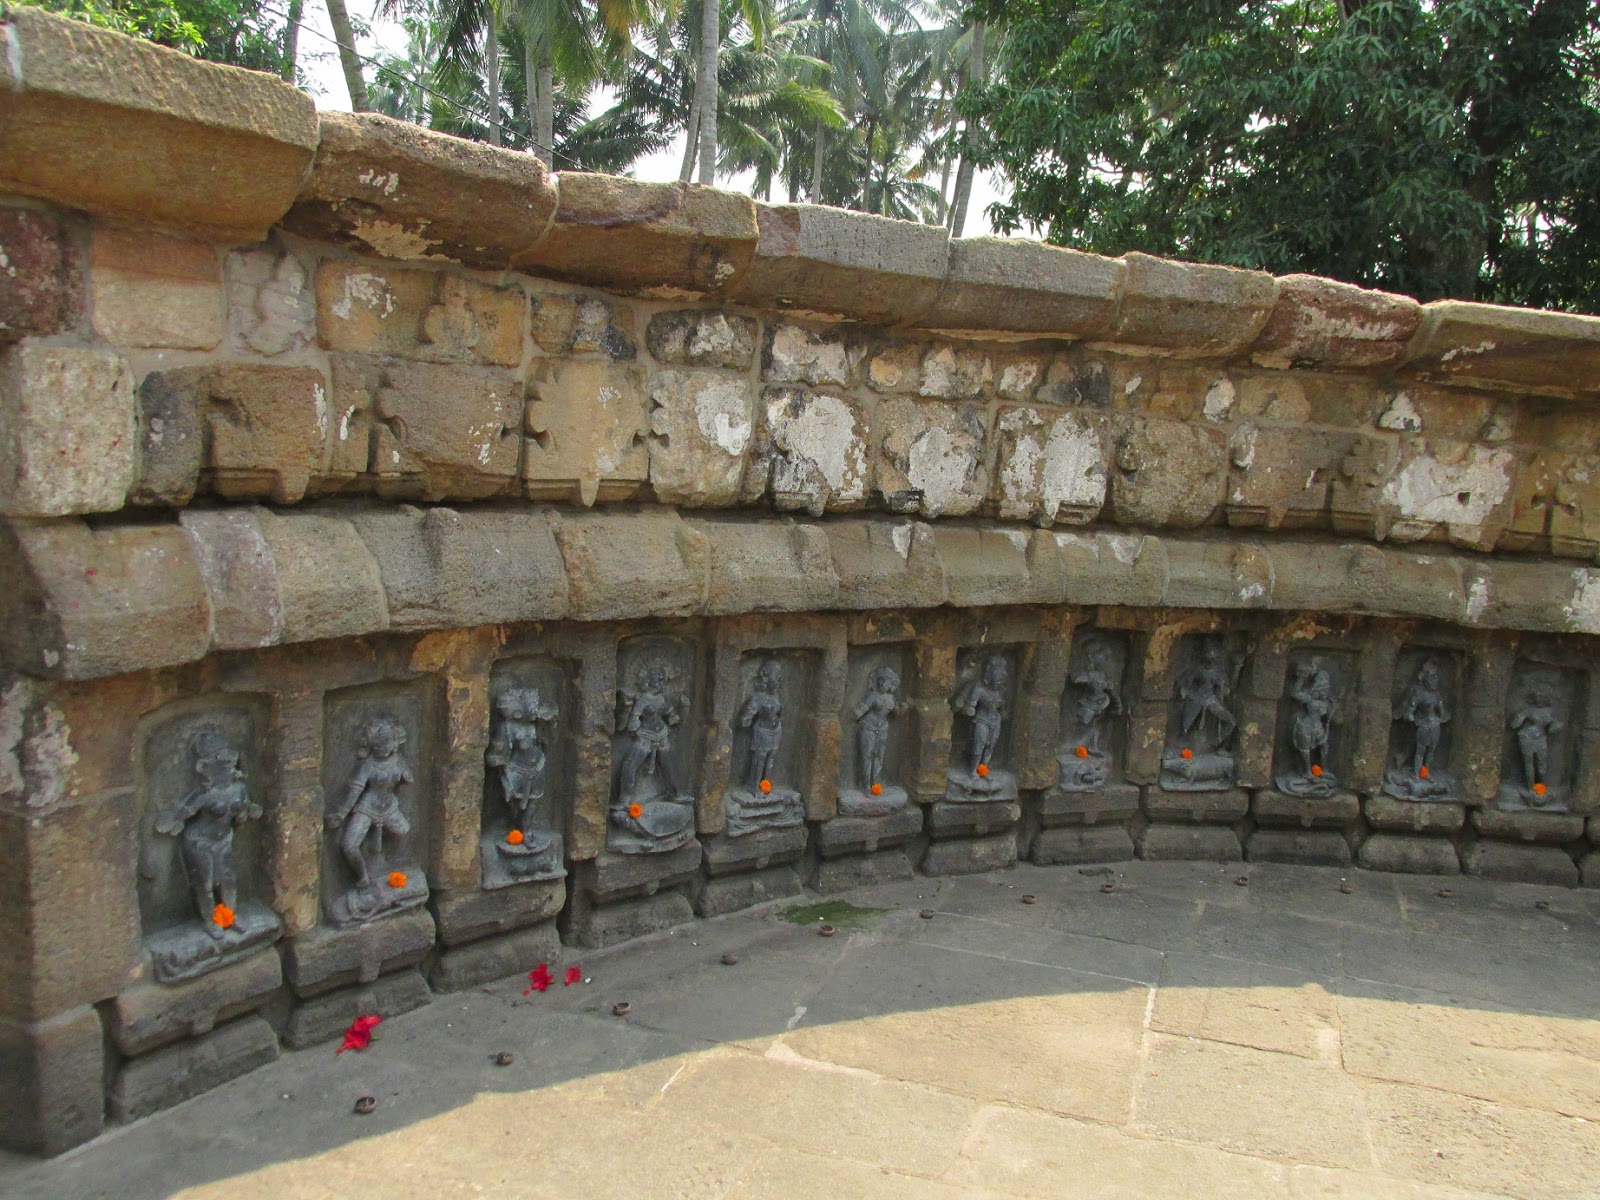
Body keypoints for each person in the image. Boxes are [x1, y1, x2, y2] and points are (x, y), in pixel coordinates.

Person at [154, 727, 260, 938]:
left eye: (231, 764)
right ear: (209, 770)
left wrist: (245, 813)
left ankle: (227, 916)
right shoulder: (204, 795)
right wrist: (171, 822)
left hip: (223, 840)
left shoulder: (239, 789)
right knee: (206, 882)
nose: (229, 769)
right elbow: (181, 815)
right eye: (223, 765)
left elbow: (244, 813)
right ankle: (210, 920)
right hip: (199, 842)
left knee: (228, 879)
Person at [327, 716, 413, 892]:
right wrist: (341, 814)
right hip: (367, 807)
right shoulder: (366, 765)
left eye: (386, 744)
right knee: (349, 846)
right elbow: (354, 791)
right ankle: (363, 876)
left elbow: (408, 779)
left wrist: (403, 772)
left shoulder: (398, 760)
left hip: (389, 806)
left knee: (403, 831)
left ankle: (390, 868)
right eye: (378, 745)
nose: (382, 748)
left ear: (394, 743)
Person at [854, 666, 902, 789]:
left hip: (882, 729)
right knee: (867, 755)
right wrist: (857, 712)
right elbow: (858, 712)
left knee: (879, 756)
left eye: (886, 681)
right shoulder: (872, 695)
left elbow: (897, 712)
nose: (882, 683)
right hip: (868, 727)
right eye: (881, 680)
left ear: (892, 684)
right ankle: (865, 784)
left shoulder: (891, 698)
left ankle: (874, 781)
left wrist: (905, 706)